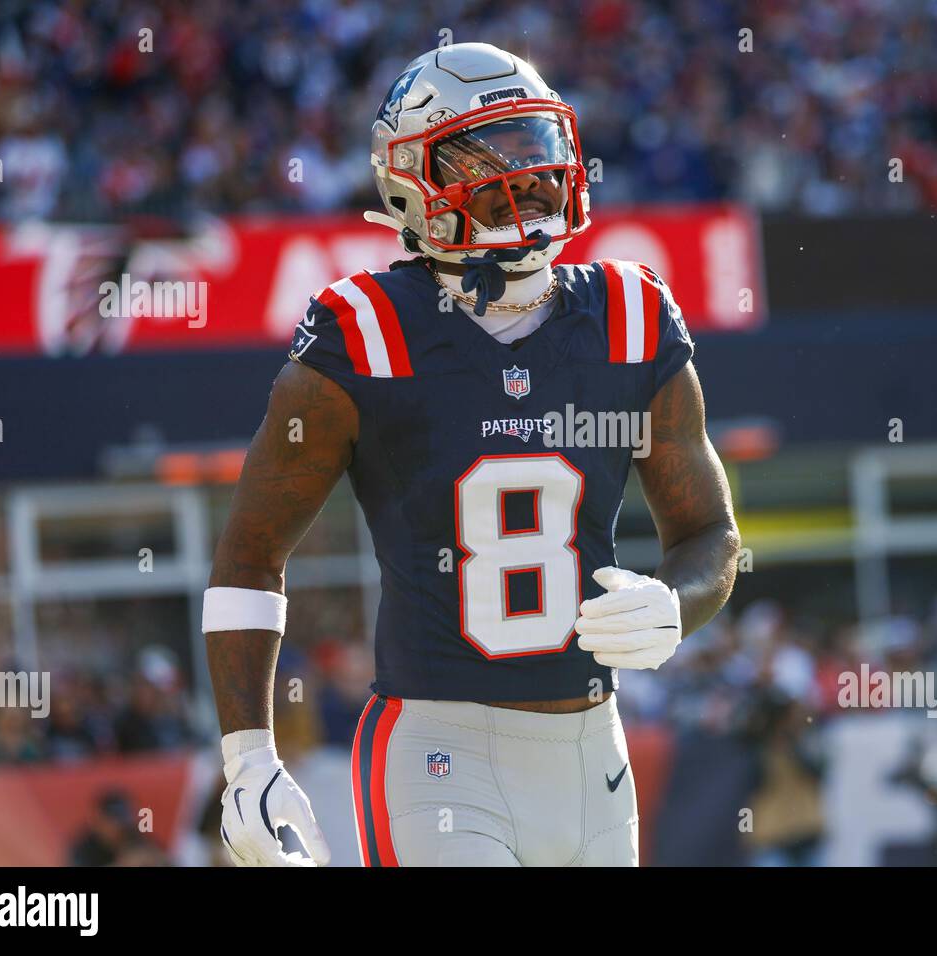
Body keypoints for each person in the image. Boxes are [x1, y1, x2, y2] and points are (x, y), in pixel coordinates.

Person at [204, 42, 740, 867]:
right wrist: (248, 757)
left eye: (534, 149)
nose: (525, 179)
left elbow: (710, 533)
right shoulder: (366, 334)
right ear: (410, 182)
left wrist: (677, 601)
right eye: (488, 158)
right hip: (438, 751)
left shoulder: (631, 316)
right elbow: (250, 554)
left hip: (597, 754)